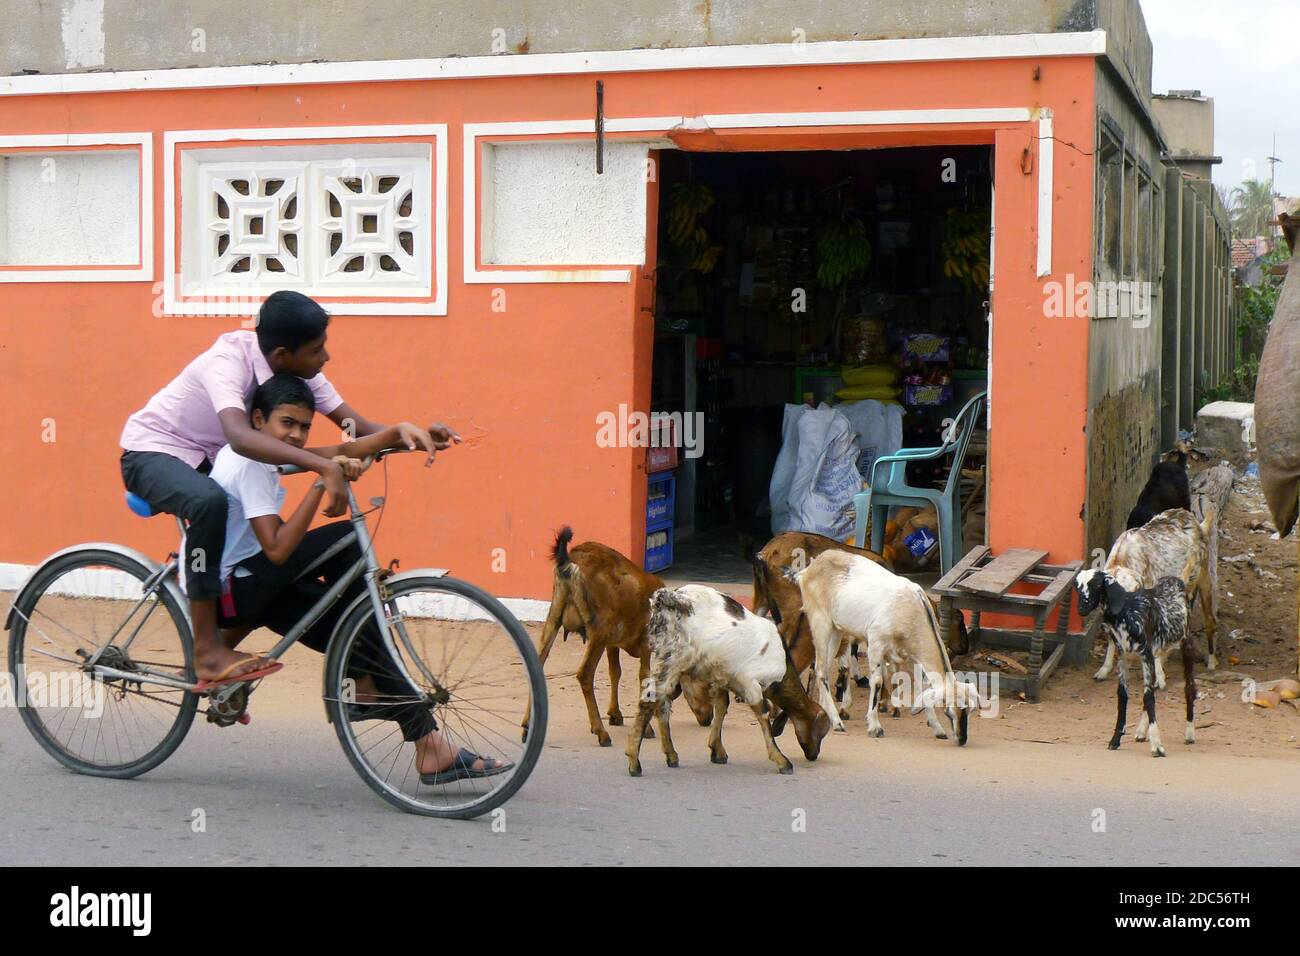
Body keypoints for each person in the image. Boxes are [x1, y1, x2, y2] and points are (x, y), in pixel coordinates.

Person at [120, 290, 460, 686]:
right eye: (318, 350)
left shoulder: (298, 377)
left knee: (268, 559)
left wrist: (408, 434)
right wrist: (322, 469)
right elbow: (240, 437)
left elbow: (354, 431)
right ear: (282, 354)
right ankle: (206, 649)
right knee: (209, 504)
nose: (325, 357)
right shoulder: (227, 362)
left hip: (215, 457)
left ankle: (353, 670)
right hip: (154, 452)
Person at [211, 373, 510, 782]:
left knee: (359, 629)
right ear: (259, 420)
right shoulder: (249, 463)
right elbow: (278, 548)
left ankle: (430, 748)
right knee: (349, 539)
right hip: (238, 591)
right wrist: (322, 480)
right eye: (288, 424)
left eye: (303, 426)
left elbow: (340, 448)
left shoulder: (269, 451)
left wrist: (403, 436)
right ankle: (362, 684)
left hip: (261, 579)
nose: (297, 436)